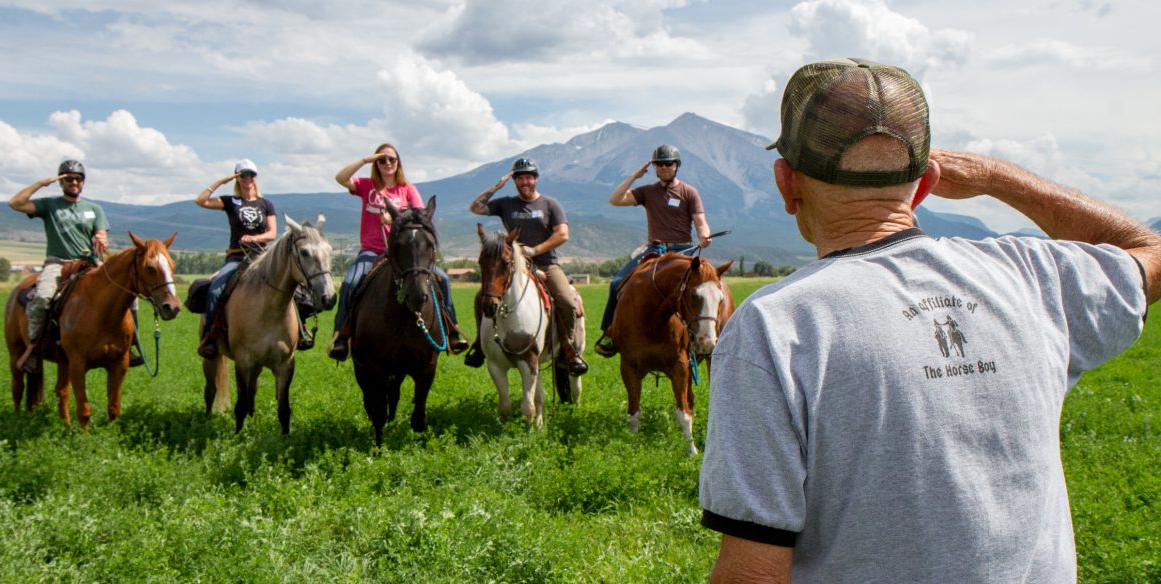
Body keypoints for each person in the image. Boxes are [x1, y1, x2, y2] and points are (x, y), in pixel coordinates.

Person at [699, 58, 1161, 583]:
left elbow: (752, 574)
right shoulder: (1033, 276)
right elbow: (1149, 252)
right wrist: (996, 177)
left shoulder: (775, 327)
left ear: (787, 183)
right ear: (927, 184)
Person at [326, 143, 466, 360]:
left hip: (403, 253)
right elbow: (340, 178)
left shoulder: (407, 189)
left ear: (398, 162)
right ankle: (341, 336)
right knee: (350, 283)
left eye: (391, 159)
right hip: (372, 251)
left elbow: (420, 216)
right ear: (376, 163)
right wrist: (365, 160)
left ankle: (452, 329)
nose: (387, 163)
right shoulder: (367, 186)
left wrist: (395, 218)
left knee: (444, 279)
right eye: (382, 160)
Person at [466, 157, 589, 375]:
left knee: (567, 302)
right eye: (520, 178)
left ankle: (568, 349)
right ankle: (480, 345)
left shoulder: (550, 204)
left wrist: (534, 251)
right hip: (513, 265)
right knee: (482, 297)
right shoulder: (506, 203)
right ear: (514, 181)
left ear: (536, 179)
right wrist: (497, 186)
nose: (525, 182)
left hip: (547, 263)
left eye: (529, 177)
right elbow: (475, 207)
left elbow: (562, 234)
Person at [594, 144, 712, 357]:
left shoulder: (689, 192)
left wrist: (704, 235)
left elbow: (701, 222)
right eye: (660, 164)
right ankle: (610, 332)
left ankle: (710, 333)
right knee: (616, 283)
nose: (664, 167)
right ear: (654, 167)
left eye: (669, 163)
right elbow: (615, 199)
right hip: (655, 250)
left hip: (683, 250)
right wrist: (635, 176)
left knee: (706, 290)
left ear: (676, 165)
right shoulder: (647, 192)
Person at [8, 159, 125, 372]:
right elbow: (15, 203)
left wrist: (102, 241)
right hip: (58, 263)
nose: (74, 182)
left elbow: (101, 235)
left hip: (90, 264)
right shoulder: (49, 205)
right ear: (61, 182)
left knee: (125, 295)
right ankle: (34, 348)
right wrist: (41, 184)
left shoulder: (94, 209)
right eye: (69, 178)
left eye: (78, 179)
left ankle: (128, 346)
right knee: (42, 298)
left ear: (83, 182)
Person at [194, 159, 278, 359]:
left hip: (262, 256)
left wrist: (254, 238)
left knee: (293, 287)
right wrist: (220, 182)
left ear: (255, 177)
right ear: (237, 178)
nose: (248, 179)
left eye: (251, 175)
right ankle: (210, 337)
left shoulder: (266, 204)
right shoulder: (231, 202)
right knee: (215, 290)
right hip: (237, 257)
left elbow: (272, 233)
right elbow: (201, 200)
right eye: (243, 175)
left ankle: (300, 332)